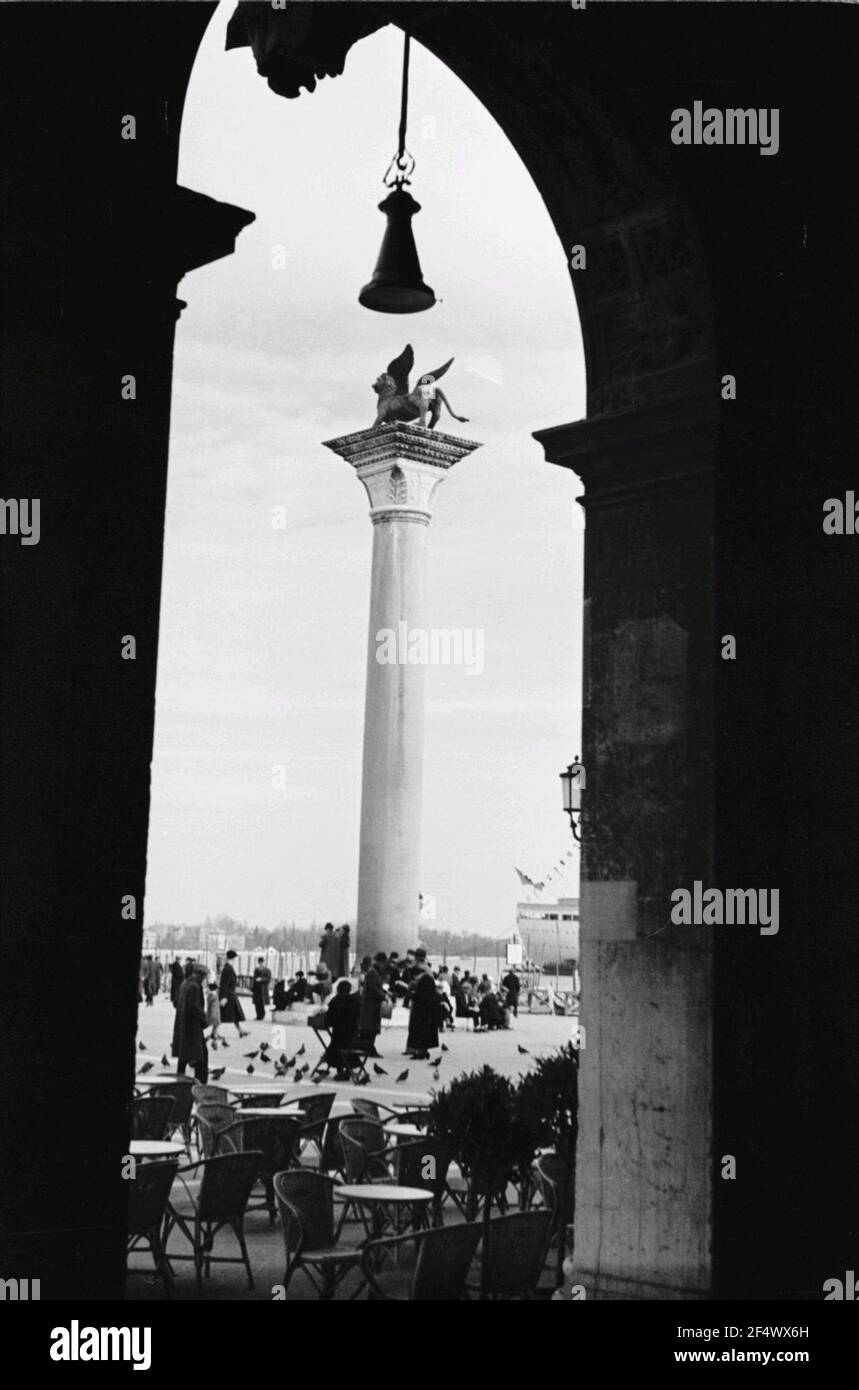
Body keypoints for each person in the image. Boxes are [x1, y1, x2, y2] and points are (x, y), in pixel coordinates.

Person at [172, 966, 208, 1082]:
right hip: (192, 1026)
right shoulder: (195, 986)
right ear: (200, 975)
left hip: (182, 1024)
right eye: (204, 977)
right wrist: (204, 1018)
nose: (204, 980)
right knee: (201, 1056)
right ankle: (200, 1082)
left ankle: (179, 1080)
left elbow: (175, 1002)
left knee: (183, 1056)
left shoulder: (184, 983)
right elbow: (194, 1006)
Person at [405, 948, 441, 1059]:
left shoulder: (422, 970)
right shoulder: (428, 969)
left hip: (422, 1004)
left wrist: (412, 992)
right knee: (420, 1026)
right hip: (426, 1003)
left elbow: (420, 988)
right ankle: (416, 1048)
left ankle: (417, 1048)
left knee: (418, 1026)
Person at [323, 979, 361, 1079]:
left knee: (336, 1046)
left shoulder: (335, 1001)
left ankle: (340, 1069)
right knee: (346, 1045)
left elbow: (329, 1020)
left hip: (338, 1036)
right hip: (352, 1037)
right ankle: (348, 1069)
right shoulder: (354, 1002)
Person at [358, 952, 387, 1058]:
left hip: (371, 1005)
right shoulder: (373, 973)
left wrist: (384, 993)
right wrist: (383, 995)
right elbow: (373, 988)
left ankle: (366, 1048)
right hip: (371, 1006)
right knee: (370, 1029)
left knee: (368, 1029)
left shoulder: (374, 972)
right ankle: (369, 1049)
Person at [219, 949, 249, 1039]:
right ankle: (214, 1032)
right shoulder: (228, 969)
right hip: (228, 995)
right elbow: (224, 984)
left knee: (234, 1014)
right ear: (233, 958)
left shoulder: (228, 967)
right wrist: (223, 997)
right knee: (221, 1015)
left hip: (230, 994)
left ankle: (240, 1031)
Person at [251, 956, 272, 1021]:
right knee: (256, 1002)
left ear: (263, 962)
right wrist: (253, 987)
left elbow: (268, 979)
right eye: (260, 962)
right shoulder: (256, 970)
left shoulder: (267, 970)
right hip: (256, 988)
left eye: (262, 962)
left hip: (263, 988)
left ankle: (262, 1014)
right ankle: (258, 1015)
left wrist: (261, 979)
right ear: (258, 963)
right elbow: (254, 979)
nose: (261, 963)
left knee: (261, 1002)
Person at [205, 978, 221, 1048]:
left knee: (214, 1029)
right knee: (215, 1029)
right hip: (215, 1015)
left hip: (212, 1015)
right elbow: (214, 1007)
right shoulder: (214, 996)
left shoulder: (210, 996)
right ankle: (214, 1042)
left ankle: (210, 1039)